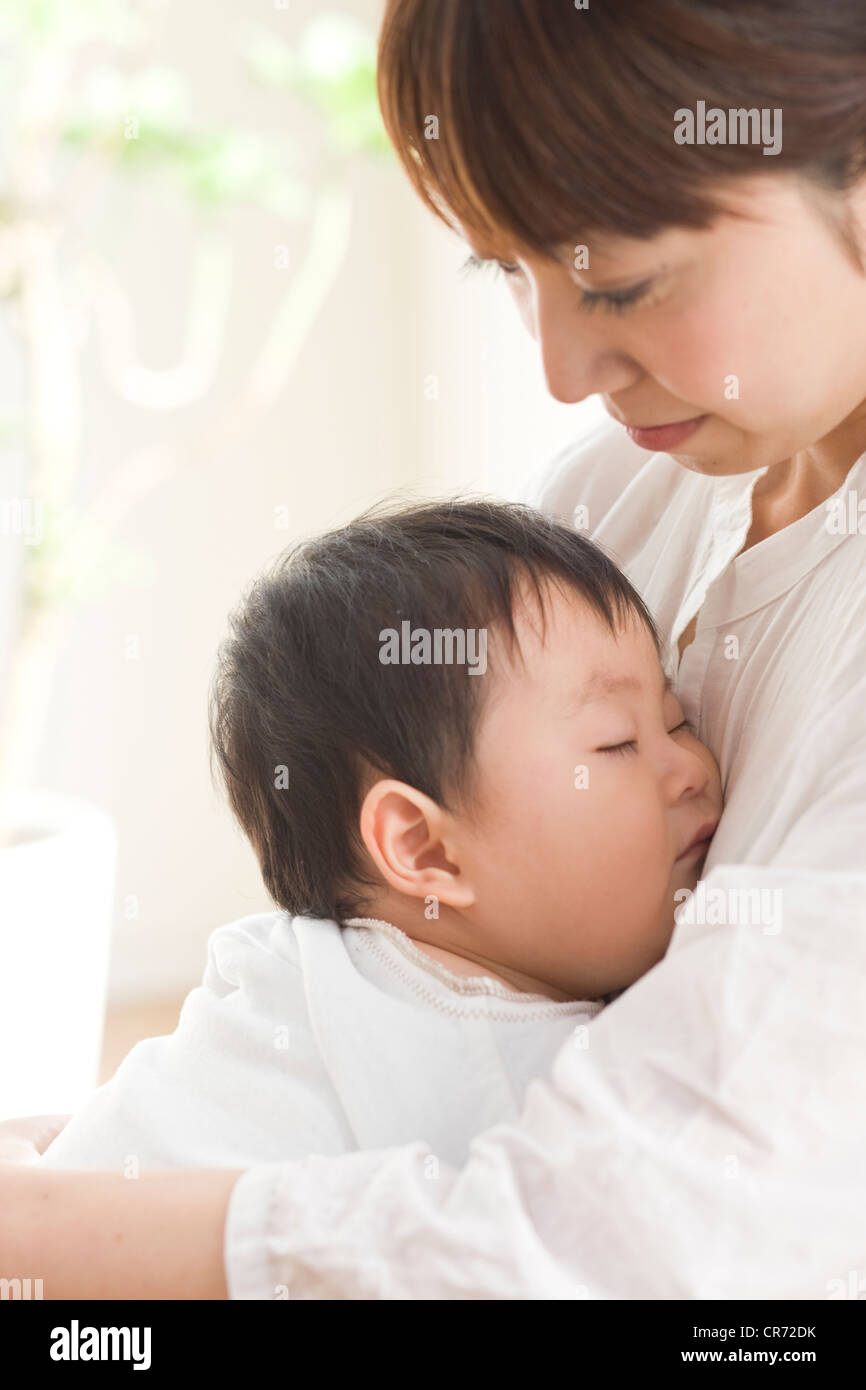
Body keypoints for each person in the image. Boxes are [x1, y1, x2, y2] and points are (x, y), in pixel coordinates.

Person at [2, 0, 866, 1299]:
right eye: (508, 272)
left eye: (621, 282)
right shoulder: (621, 499)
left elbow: (627, 1243)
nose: (563, 366)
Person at [37, 501, 721, 1174]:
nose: (692, 768)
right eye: (619, 743)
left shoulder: (310, 973)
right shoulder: (500, 1079)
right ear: (423, 848)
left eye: (677, 720)